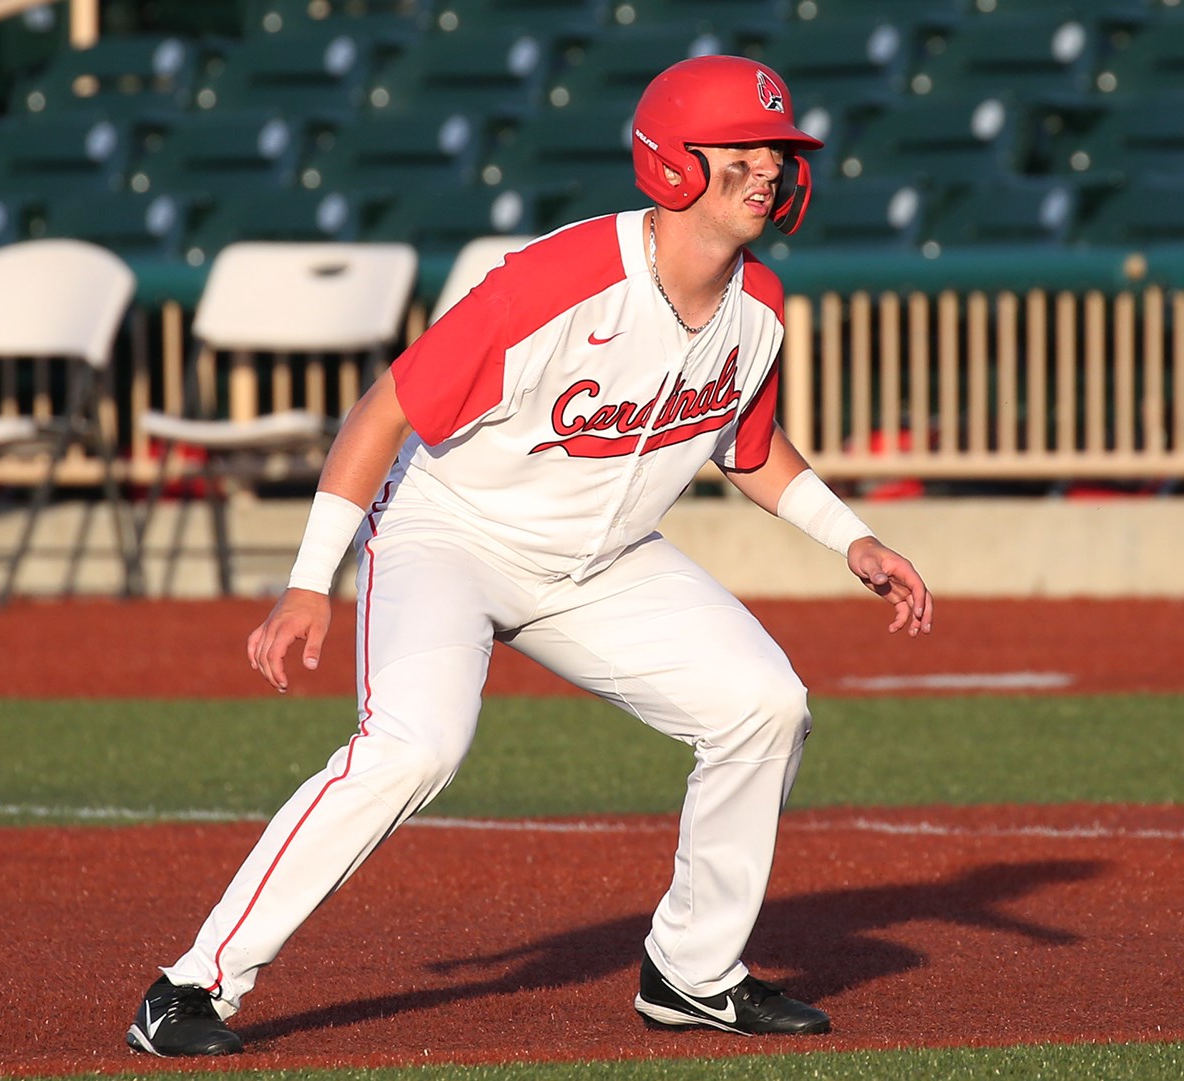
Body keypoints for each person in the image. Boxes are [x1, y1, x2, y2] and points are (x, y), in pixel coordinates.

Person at [123, 54, 934, 1057]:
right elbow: (386, 410)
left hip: (603, 563)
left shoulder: (755, 302)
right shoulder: (560, 281)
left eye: (781, 149)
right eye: (745, 148)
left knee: (762, 706)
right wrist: (307, 582)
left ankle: (692, 973)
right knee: (415, 747)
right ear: (674, 163)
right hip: (450, 537)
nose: (769, 166)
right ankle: (189, 986)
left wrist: (852, 537)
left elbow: (749, 445)